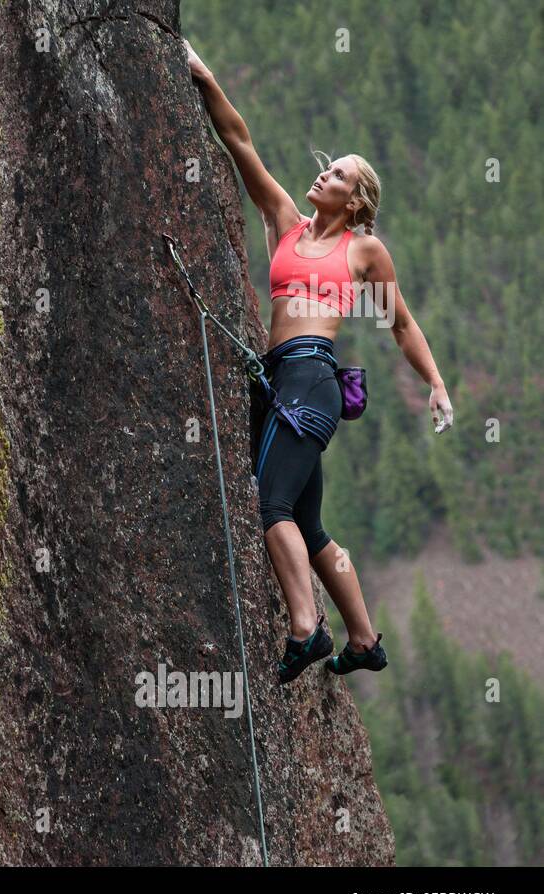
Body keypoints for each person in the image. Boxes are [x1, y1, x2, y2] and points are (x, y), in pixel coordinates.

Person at [184, 39, 454, 683]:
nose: (323, 176)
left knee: (269, 504)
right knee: (306, 520)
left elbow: (402, 323)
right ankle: (362, 639)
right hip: (279, 379)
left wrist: (437, 384)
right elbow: (239, 141)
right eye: (327, 169)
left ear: (356, 201)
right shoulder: (285, 221)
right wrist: (204, 76)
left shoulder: (365, 252)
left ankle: (306, 629)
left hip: (311, 378)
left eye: (338, 176)